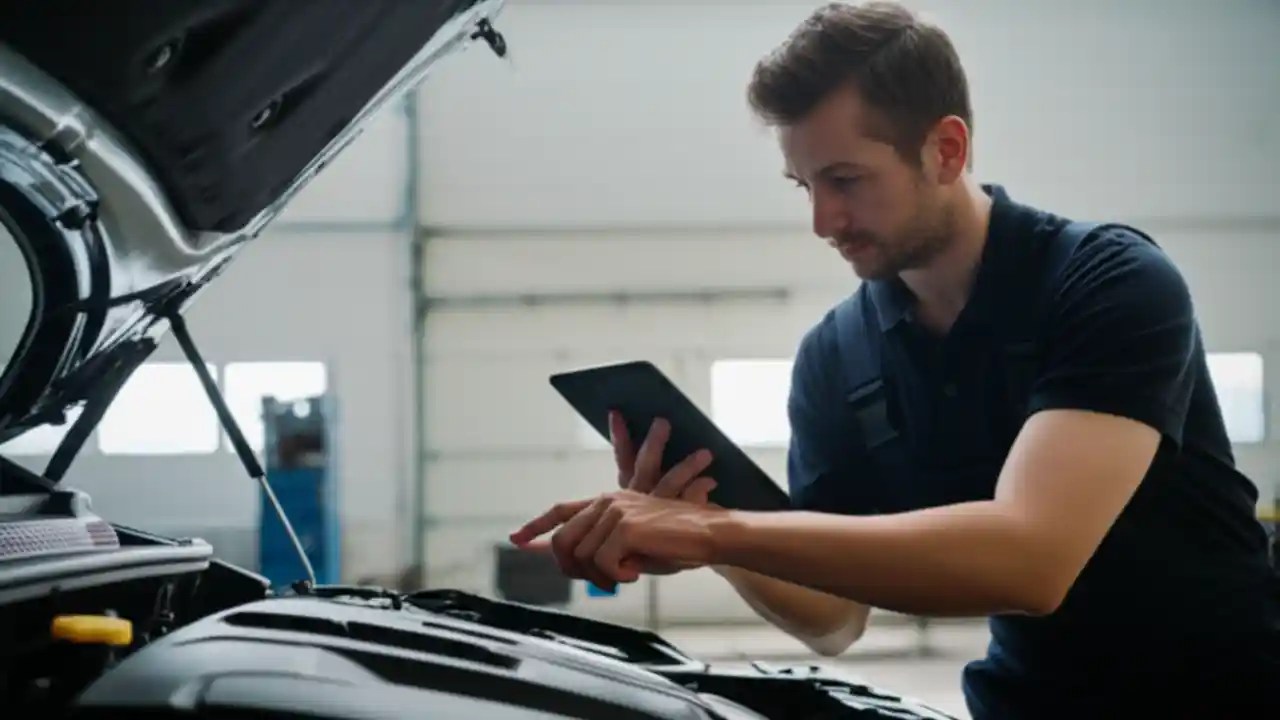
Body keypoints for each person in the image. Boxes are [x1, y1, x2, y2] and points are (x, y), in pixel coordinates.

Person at [509, 1, 1280, 716]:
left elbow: (1032, 561)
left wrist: (720, 534)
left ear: (945, 149)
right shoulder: (836, 358)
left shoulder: (1109, 282)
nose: (822, 221)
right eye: (804, 184)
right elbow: (834, 618)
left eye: (845, 179)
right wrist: (701, 523)